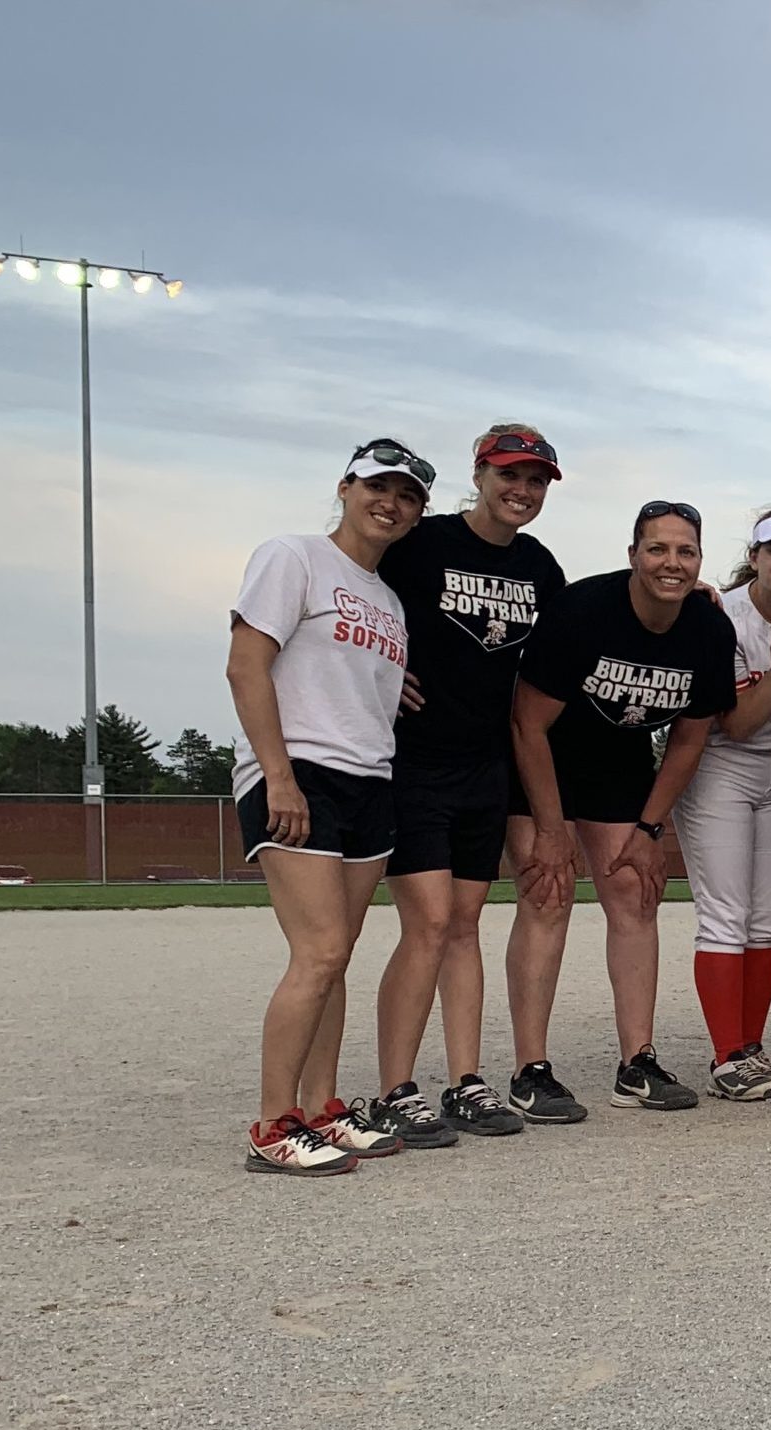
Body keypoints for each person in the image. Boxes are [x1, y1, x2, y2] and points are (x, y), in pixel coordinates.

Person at [225, 439, 430, 1174]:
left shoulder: (388, 600)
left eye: (407, 496)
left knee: (335, 957)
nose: (390, 503)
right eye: (378, 486)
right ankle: (273, 1123)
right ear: (346, 487)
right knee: (317, 952)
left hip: (368, 776)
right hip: (301, 770)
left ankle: (322, 1108)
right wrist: (277, 776)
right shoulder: (294, 557)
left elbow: (346, 675)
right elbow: (246, 665)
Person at [368, 425, 566, 1143]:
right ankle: (394, 1088)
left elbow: (573, 644)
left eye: (535, 480)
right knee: (426, 921)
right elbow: (349, 595)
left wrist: (700, 595)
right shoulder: (422, 543)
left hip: (486, 766)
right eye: (509, 474)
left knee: (463, 922)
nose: (522, 490)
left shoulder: (539, 568)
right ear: (479, 474)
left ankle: (466, 1081)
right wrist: (376, 674)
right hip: (415, 761)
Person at [509, 500, 739, 1113]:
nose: (672, 562)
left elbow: (688, 739)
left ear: (700, 561)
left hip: (620, 761)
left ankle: (637, 1063)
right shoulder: (584, 610)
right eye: (657, 549)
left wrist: (649, 829)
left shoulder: (708, 628)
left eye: (686, 551)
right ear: (633, 554)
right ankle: (531, 1071)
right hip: (548, 756)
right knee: (548, 894)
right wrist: (551, 829)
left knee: (637, 894)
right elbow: (527, 725)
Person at [678, 508, 771, 1102]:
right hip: (723, 767)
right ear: (755, 556)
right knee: (725, 914)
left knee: (767, 919)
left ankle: (749, 1046)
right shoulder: (725, 613)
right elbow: (737, 725)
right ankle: (726, 1057)